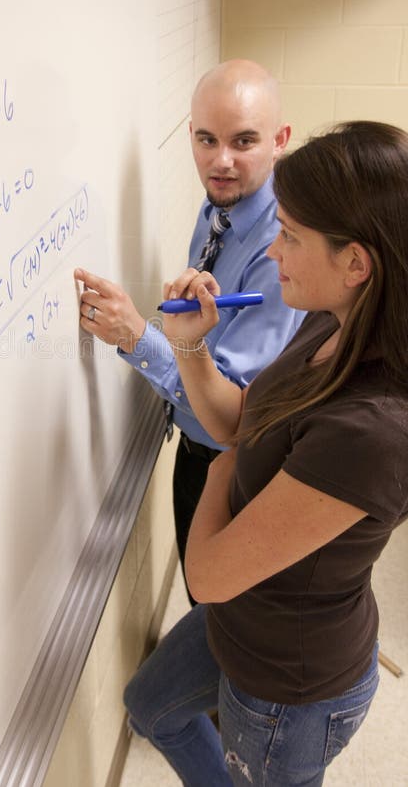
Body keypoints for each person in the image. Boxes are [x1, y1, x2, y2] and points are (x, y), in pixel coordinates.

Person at [123, 120, 408, 786]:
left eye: (291, 236)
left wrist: (226, 462)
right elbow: (242, 421)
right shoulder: (331, 317)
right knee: (151, 708)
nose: (274, 252)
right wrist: (190, 344)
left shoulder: (373, 430)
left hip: (290, 682)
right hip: (242, 623)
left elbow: (212, 575)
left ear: (356, 262)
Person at [75, 60, 304, 603]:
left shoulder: (283, 251)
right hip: (195, 451)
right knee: (208, 612)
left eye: (243, 141)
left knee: (225, 618)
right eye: (206, 139)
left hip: (238, 468)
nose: (220, 162)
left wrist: (137, 337)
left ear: (280, 141)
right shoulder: (220, 208)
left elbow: (230, 414)